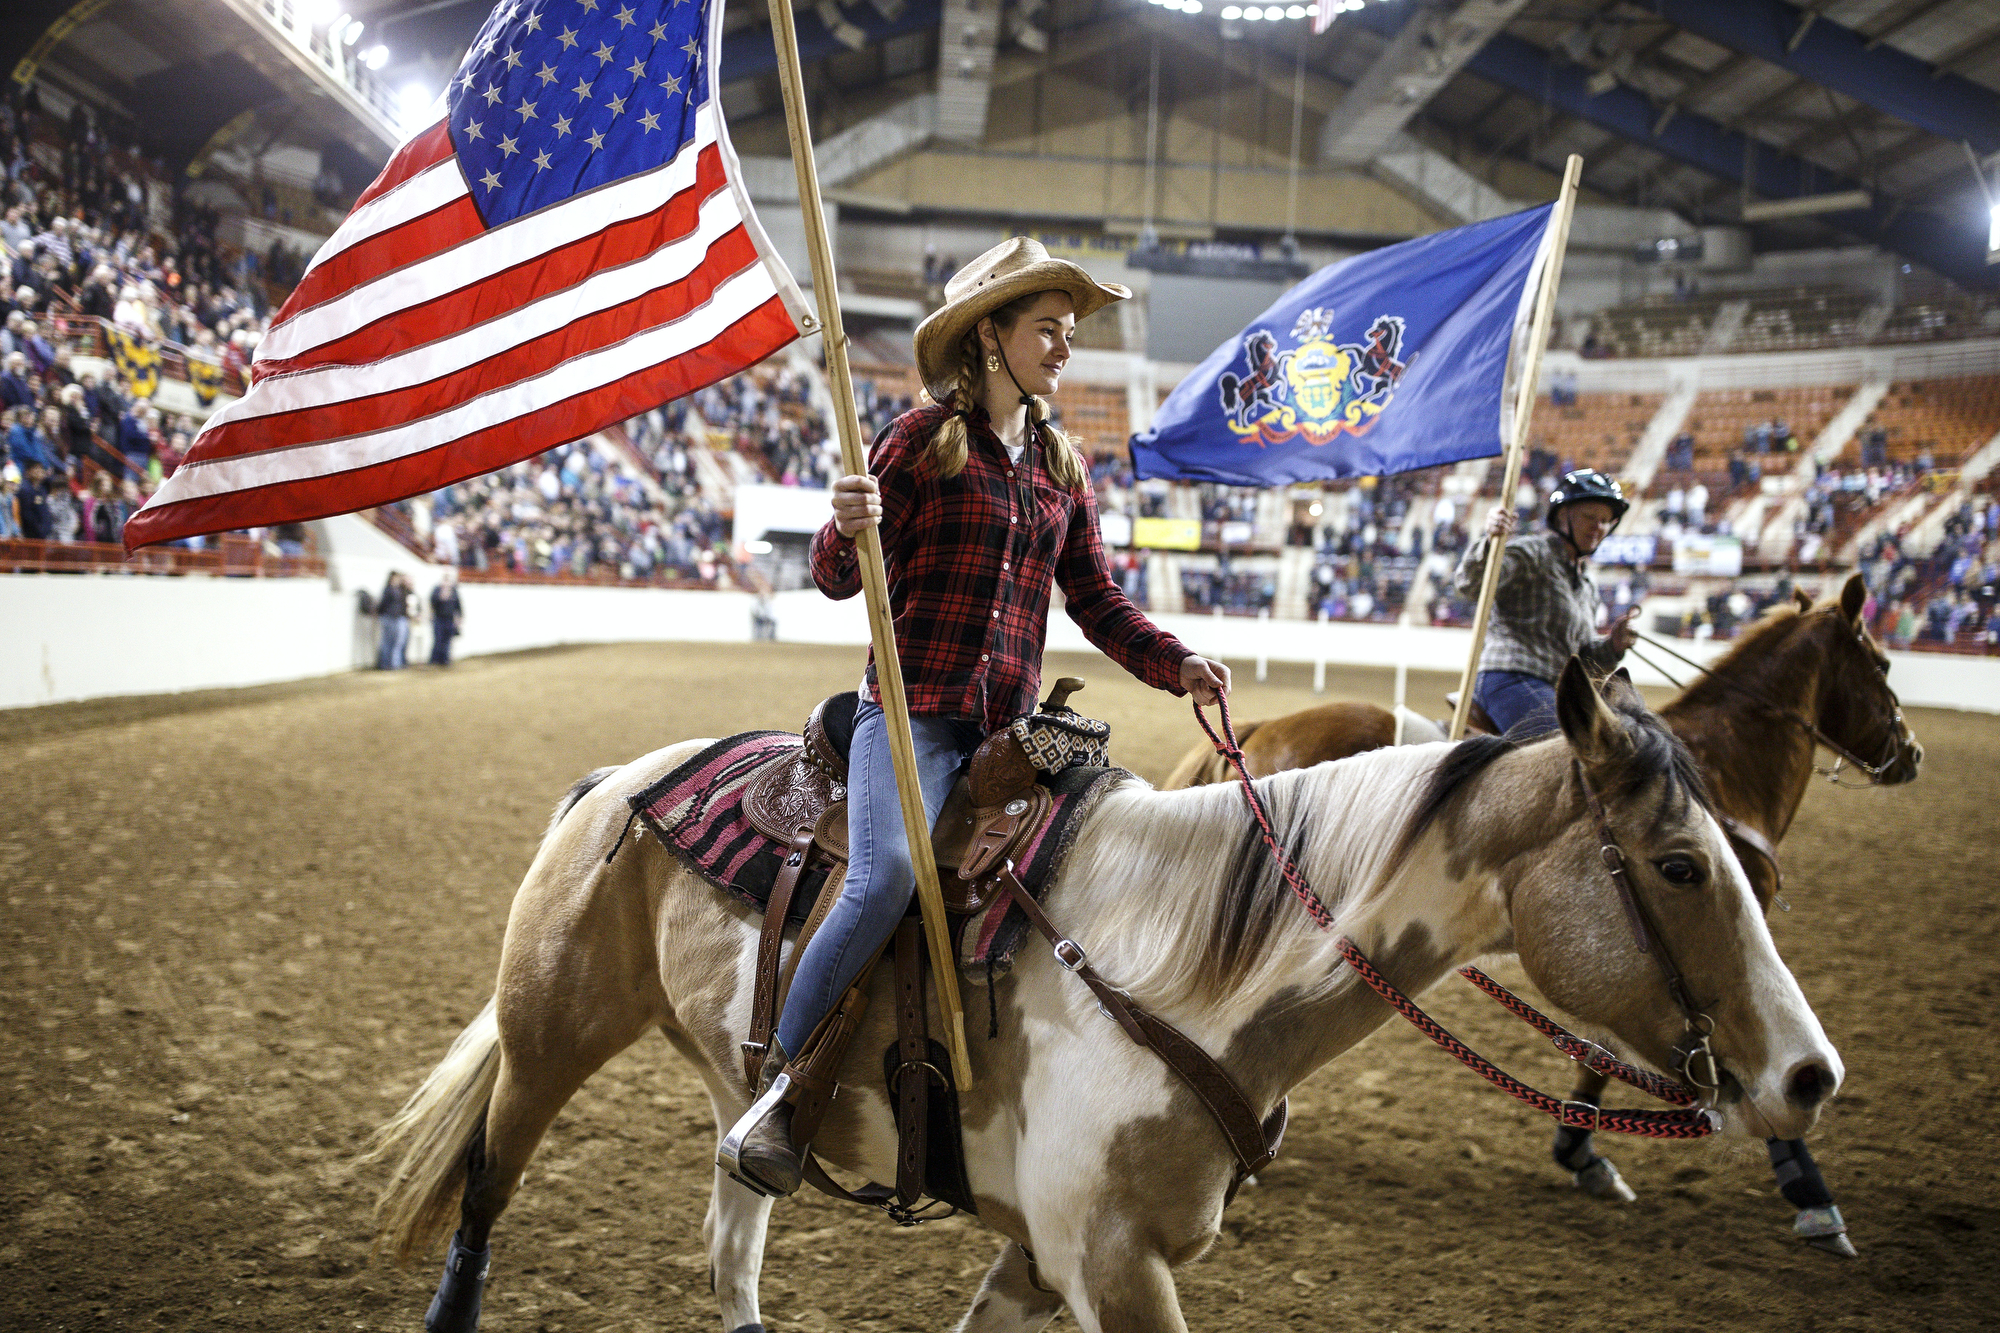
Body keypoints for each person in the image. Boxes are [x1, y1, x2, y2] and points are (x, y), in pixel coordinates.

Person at [722, 237, 1230, 1197]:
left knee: (1105, 846)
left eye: (1070, 331)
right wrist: (844, 522)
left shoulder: (1057, 463)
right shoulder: (917, 443)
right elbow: (836, 579)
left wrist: (1178, 664)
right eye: (1048, 328)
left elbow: (1097, 599)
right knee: (884, 882)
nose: (1064, 346)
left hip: (1007, 733)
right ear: (990, 335)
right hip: (909, 715)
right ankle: (779, 1087)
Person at [1451, 468, 1639, 736]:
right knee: (1568, 746)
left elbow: (1582, 658)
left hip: (1555, 690)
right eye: (1589, 517)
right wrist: (1490, 541)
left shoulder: (1587, 586)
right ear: (1563, 516)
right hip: (1509, 676)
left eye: (1606, 520)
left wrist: (1613, 646)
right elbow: (1470, 584)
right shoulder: (1532, 552)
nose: (1599, 527)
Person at [376, 571, 411, 670]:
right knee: (387, 641)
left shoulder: (400, 590)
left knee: (395, 642)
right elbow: (383, 604)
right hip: (389, 617)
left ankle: (394, 663)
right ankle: (385, 664)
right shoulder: (388, 590)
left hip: (396, 617)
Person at [428, 570, 462, 666]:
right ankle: (434, 660)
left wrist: (459, 618)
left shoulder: (454, 591)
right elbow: (432, 602)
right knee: (438, 640)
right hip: (438, 618)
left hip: (449, 619)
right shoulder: (437, 590)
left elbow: (458, 606)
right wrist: (440, 597)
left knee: (447, 641)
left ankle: (445, 660)